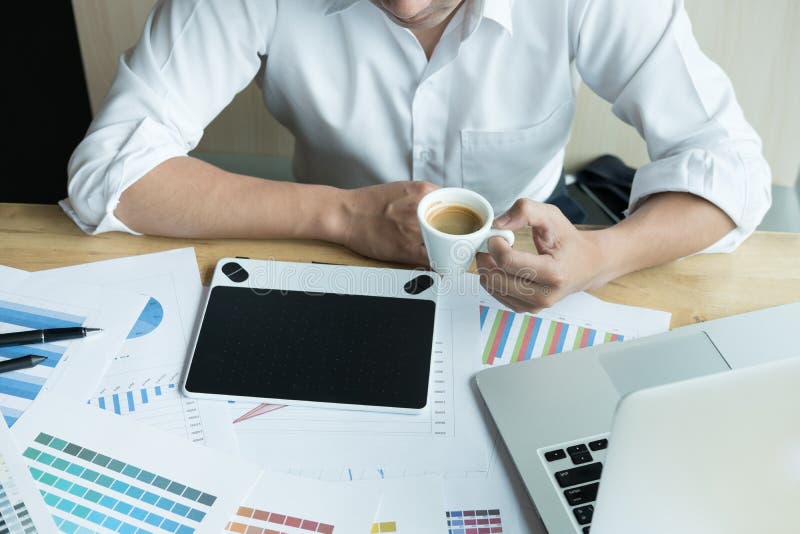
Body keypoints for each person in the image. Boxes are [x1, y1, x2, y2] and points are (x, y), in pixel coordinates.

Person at [66, 0, 771, 312]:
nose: (405, 4)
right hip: (321, 251)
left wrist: (603, 256)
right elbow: (111, 171)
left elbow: (730, 163)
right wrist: (344, 216)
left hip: (534, 261)